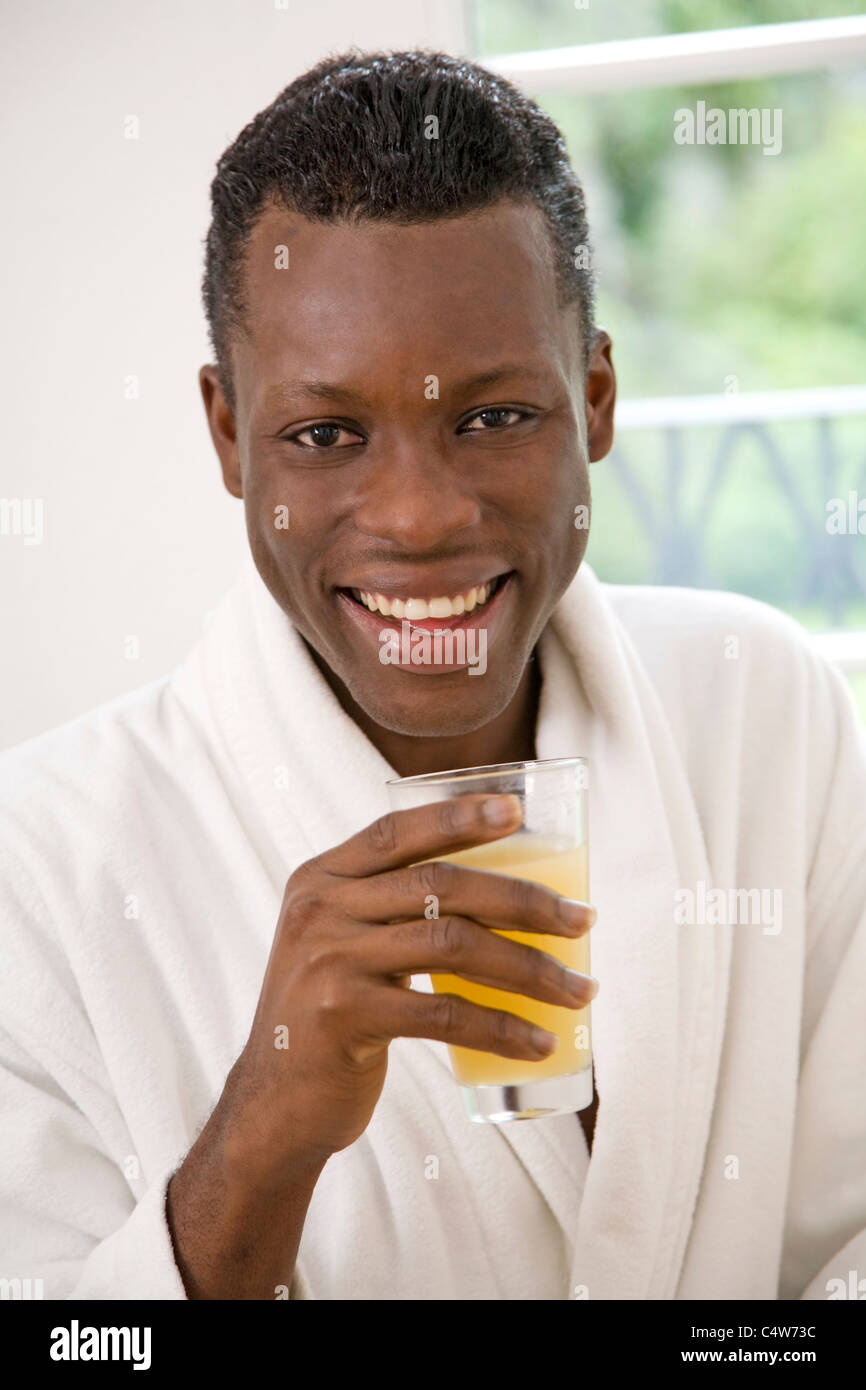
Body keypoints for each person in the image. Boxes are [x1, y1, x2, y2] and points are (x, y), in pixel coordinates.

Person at [1, 49, 864, 1303]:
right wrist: (261, 1138)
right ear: (230, 436)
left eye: (494, 416)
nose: (415, 516)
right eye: (324, 434)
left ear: (597, 399)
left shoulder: (763, 716)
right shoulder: (41, 867)